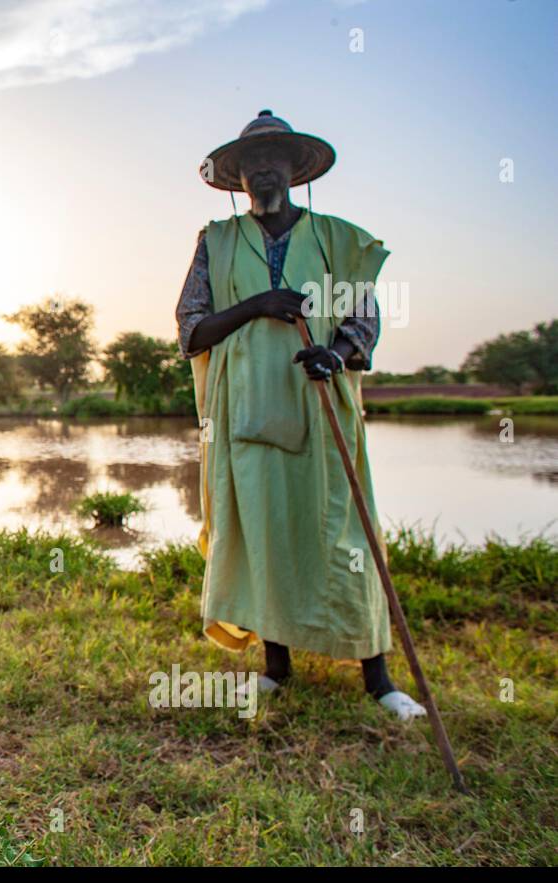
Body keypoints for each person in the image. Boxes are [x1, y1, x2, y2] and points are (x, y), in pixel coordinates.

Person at [175, 109, 426, 721]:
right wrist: (257, 304)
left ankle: (379, 679)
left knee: (345, 533)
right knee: (265, 537)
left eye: (274, 159)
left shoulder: (339, 240)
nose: (263, 169)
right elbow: (191, 330)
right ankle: (276, 669)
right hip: (244, 411)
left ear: (294, 169)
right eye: (251, 162)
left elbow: (362, 322)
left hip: (320, 405)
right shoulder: (216, 242)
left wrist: (335, 355)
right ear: (238, 176)